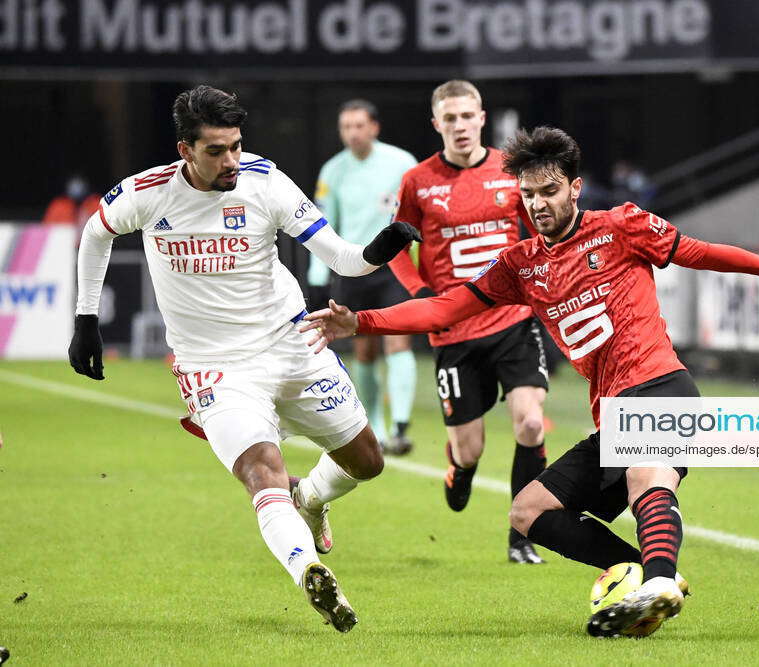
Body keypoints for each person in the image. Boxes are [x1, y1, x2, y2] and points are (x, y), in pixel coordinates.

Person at [301, 126, 759, 638]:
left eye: (549, 191)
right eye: (527, 195)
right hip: (611, 412)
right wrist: (363, 321)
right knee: (528, 511)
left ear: (575, 188)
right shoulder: (520, 266)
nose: (537, 204)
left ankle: (659, 579)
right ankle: (648, 575)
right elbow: (448, 306)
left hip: (660, 385)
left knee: (647, 475)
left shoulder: (621, 225)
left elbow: (698, 251)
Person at [67, 85, 419, 631]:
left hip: (292, 342)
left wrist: (379, 249)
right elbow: (95, 232)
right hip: (214, 366)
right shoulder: (148, 193)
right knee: (262, 469)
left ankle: (312, 498)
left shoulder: (264, 181)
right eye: (216, 150)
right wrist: (86, 319)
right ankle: (309, 573)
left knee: (368, 462)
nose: (231, 160)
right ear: (185, 149)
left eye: (235, 145)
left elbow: (343, 259)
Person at [386, 80, 549, 565]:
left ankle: (523, 533)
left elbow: (542, 228)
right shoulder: (418, 182)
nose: (459, 125)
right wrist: (419, 293)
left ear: (482, 117)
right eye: (449, 118)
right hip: (454, 334)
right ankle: (460, 468)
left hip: (514, 320)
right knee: (471, 448)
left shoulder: (510, 171)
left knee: (532, 424)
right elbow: (397, 248)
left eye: (467, 116)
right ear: (437, 124)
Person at [311, 99, 419, 455]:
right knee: (365, 349)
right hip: (352, 267)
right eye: (346, 126)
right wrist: (317, 276)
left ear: (374, 127)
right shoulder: (332, 171)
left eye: (359, 125)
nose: (353, 133)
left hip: (395, 268)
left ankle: (401, 426)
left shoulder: (402, 163)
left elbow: (418, 214)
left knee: (398, 341)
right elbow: (325, 224)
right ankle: (376, 426)